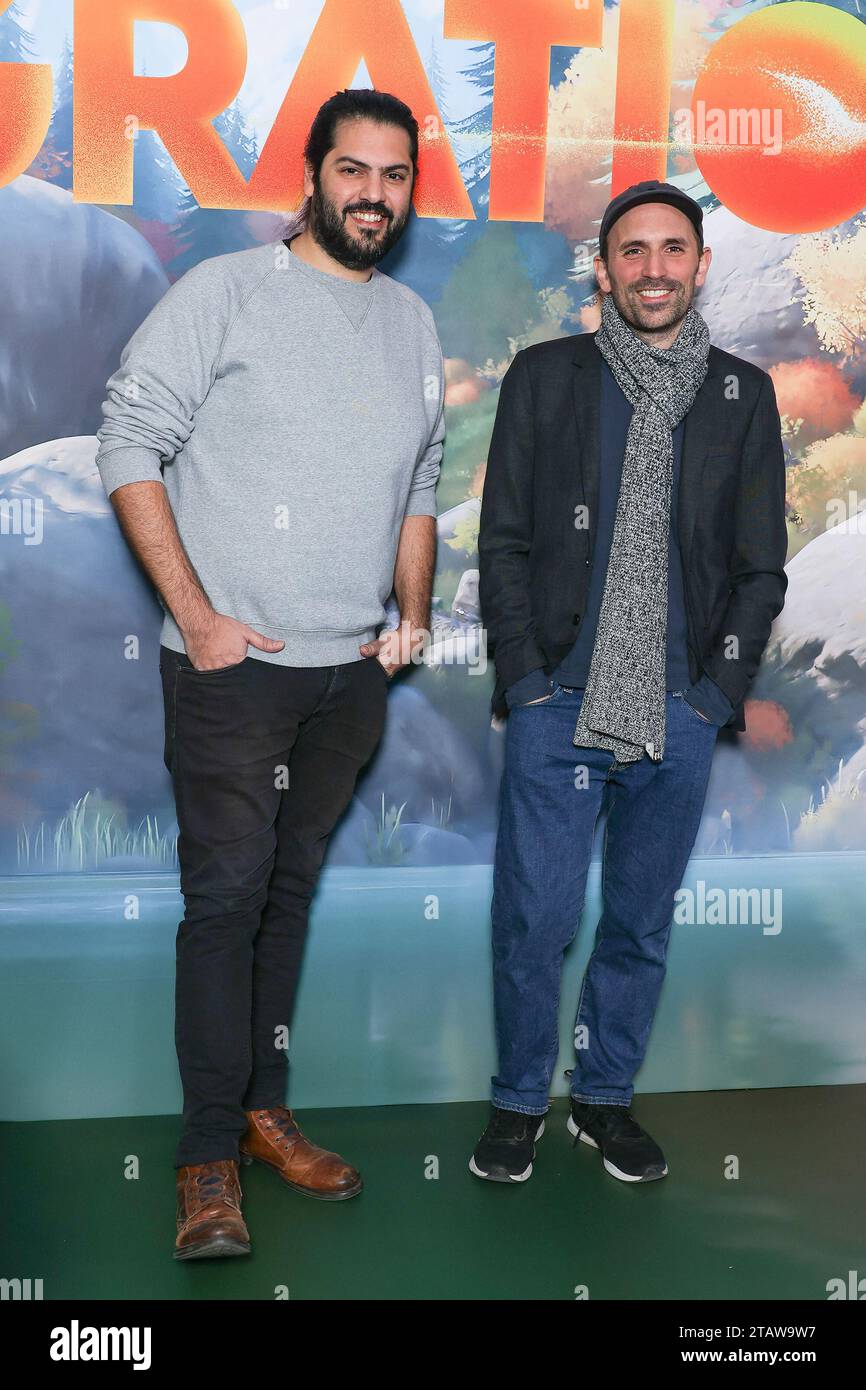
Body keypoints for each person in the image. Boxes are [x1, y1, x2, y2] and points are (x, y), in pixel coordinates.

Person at [95, 89, 445, 1259]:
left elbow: (417, 487)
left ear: (411, 187)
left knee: (285, 902)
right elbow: (128, 439)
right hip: (233, 675)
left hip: (349, 679)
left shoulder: (408, 322)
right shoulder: (225, 293)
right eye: (352, 170)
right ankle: (202, 1159)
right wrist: (193, 616)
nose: (372, 194)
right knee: (226, 904)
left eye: (393, 176)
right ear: (312, 173)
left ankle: (260, 1114)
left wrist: (408, 615)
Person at [473, 179, 788, 1185]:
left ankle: (602, 1098)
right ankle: (521, 1101)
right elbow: (507, 541)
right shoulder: (545, 376)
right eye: (631, 251)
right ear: (602, 269)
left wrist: (710, 700)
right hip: (554, 703)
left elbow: (757, 568)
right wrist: (523, 678)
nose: (651, 268)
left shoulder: (741, 392)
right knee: (535, 920)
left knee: (640, 923)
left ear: (699, 264)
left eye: (671, 249)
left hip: (678, 710)